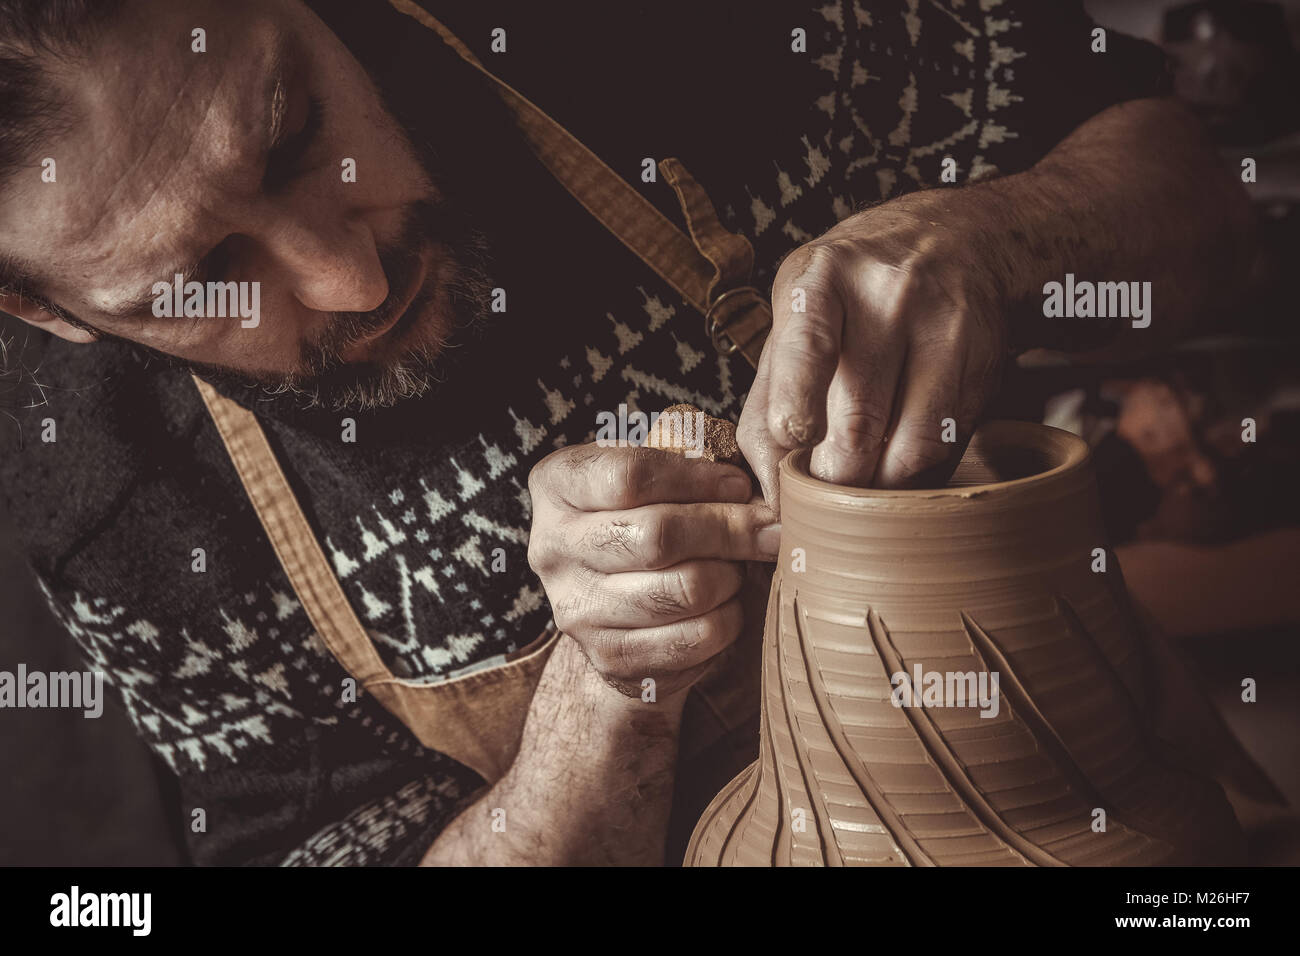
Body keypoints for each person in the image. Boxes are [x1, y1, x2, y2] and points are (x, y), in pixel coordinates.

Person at [0, 0, 1252, 865]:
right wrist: (598, 705)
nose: (349, 280)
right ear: (42, 307)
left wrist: (997, 234)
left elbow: (1194, 187)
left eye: (295, 135)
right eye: (197, 282)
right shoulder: (95, 485)